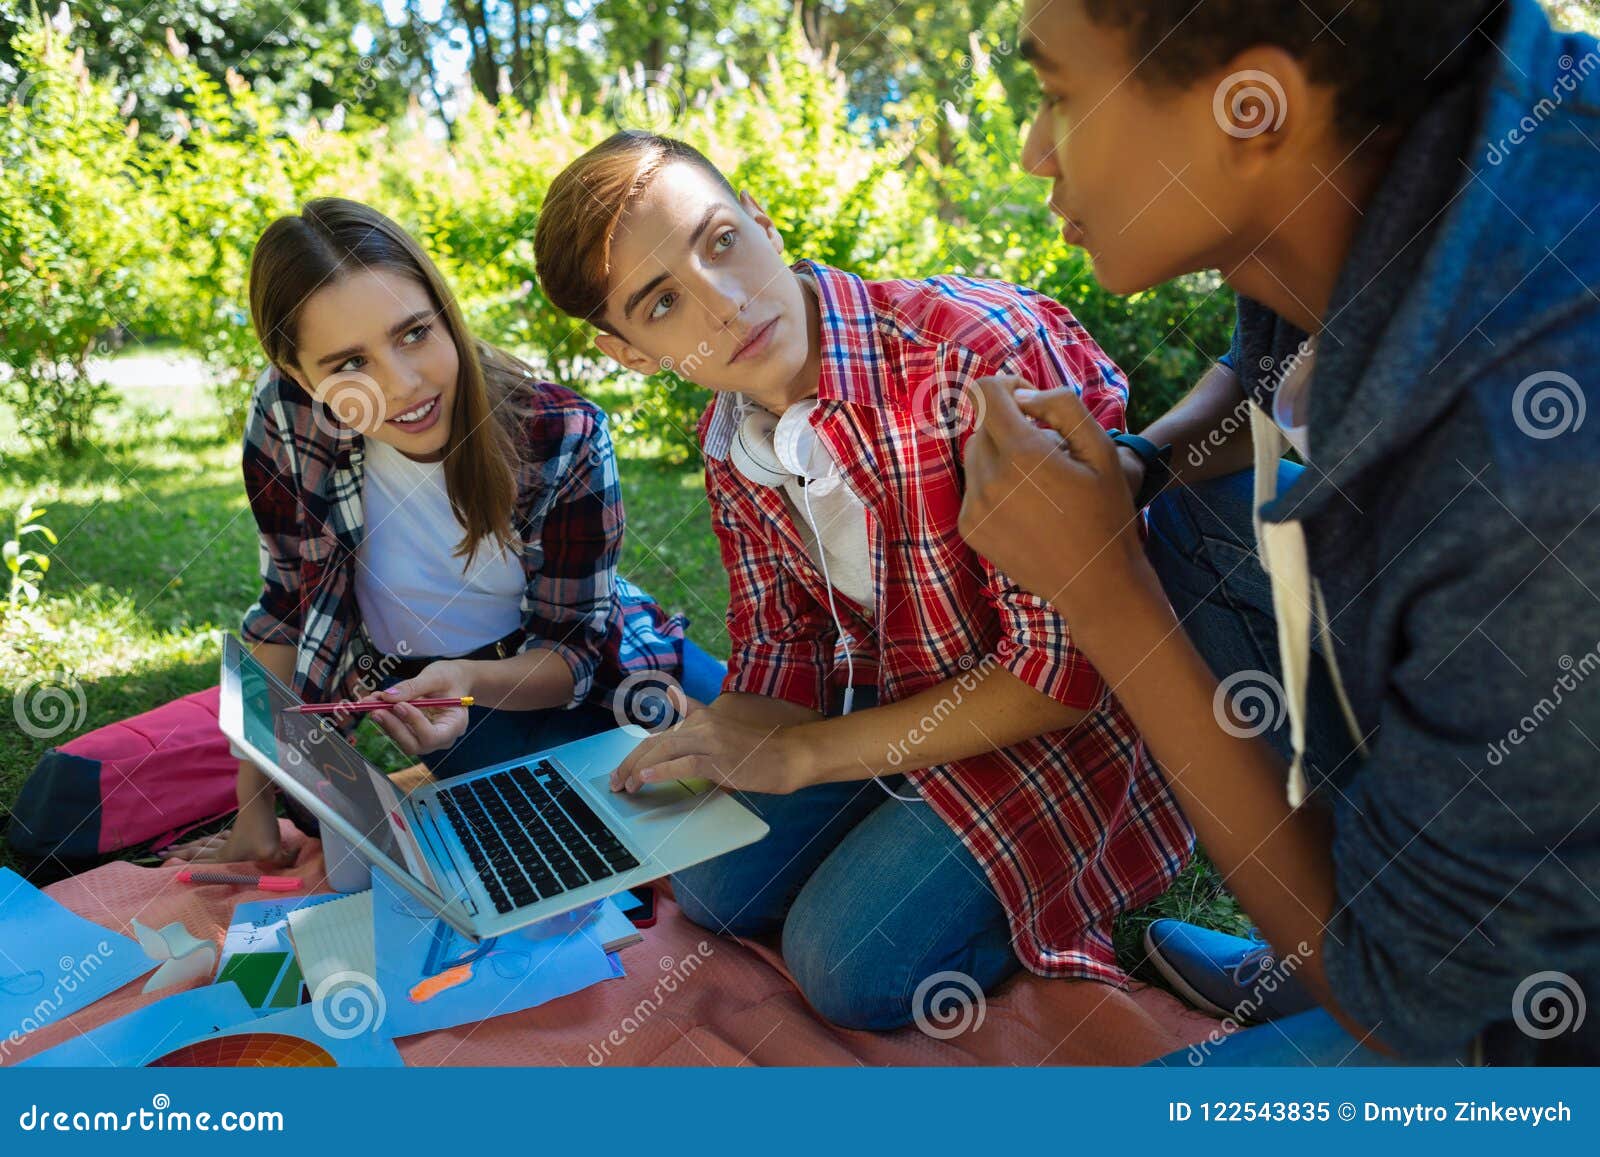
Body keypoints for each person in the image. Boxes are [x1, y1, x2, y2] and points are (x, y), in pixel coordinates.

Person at [958, 0, 1600, 1063]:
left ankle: (1347, 940)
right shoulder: (1417, 136)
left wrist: (1102, 590)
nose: (1034, 153)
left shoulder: (1525, 464)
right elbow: (1271, 347)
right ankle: (1336, 925)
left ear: (1250, 108)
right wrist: (1140, 464)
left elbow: (1427, 1019)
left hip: (1530, 1033)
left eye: (1057, 93)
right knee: (1194, 519)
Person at [529, 131, 1194, 1030]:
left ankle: (1062, 883)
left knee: (847, 965)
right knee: (711, 884)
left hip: (1071, 731)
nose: (723, 305)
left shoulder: (969, 360)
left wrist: (800, 755)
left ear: (760, 220)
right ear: (629, 353)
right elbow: (783, 642)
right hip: (908, 715)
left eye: (720, 241)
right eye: (661, 303)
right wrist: (721, 735)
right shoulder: (732, 440)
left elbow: (1064, 674)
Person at [169, 198, 696, 866]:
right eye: (348, 364)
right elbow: (283, 613)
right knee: (589, 839)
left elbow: (576, 653)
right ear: (299, 375)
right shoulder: (288, 420)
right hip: (455, 700)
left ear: (446, 313)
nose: (403, 384)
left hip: (591, 655)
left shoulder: (561, 433)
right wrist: (255, 816)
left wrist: (468, 675)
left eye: (414, 333)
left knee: (748, 755)